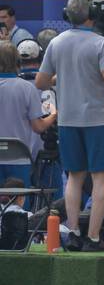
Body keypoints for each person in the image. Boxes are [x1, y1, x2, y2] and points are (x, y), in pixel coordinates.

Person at [33, 0, 104, 251]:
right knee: (101, 178)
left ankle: (72, 233)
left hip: (68, 120)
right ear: (92, 14)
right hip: (96, 120)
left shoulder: (57, 42)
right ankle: (93, 237)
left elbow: (41, 82)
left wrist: (65, 79)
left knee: (74, 177)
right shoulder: (102, 43)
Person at [0, 42, 57, 186]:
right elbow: (38, 127)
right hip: (19, 158)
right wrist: (54, 114)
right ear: (17, 61)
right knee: (19, 202)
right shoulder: (27, 89)